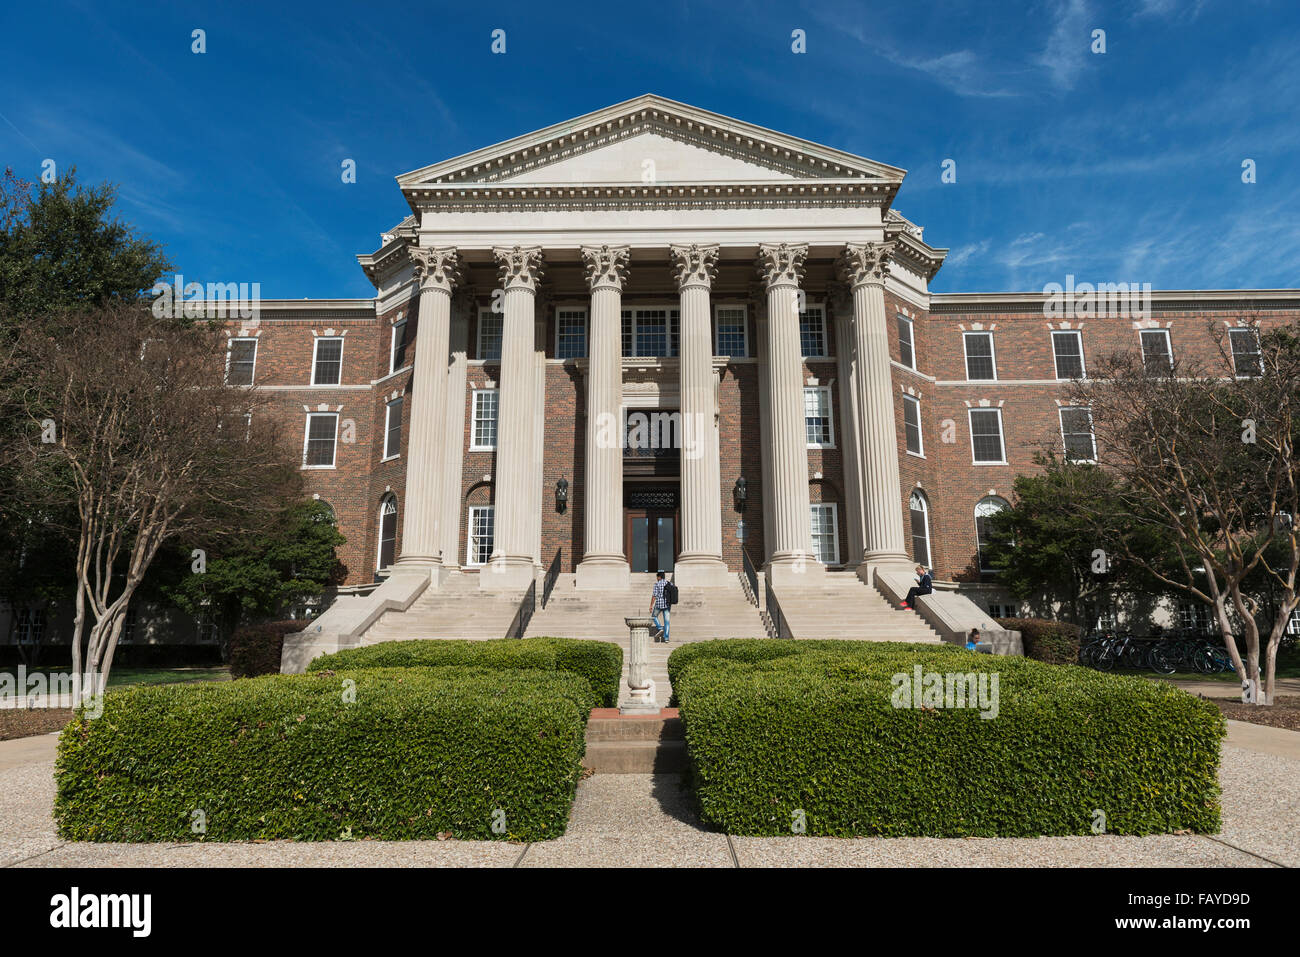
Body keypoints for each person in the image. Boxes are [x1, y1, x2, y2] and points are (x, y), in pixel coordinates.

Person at [649, 570, 671, 643]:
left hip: (659, 604)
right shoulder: (669, 583)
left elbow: (654, 595)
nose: (656, 578)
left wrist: (651, 605)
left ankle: (660, 628)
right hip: (667, 604)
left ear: (659, 577)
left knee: (654, 616)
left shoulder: (657, 584)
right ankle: (666, 638)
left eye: (657, 577)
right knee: (667, 621)